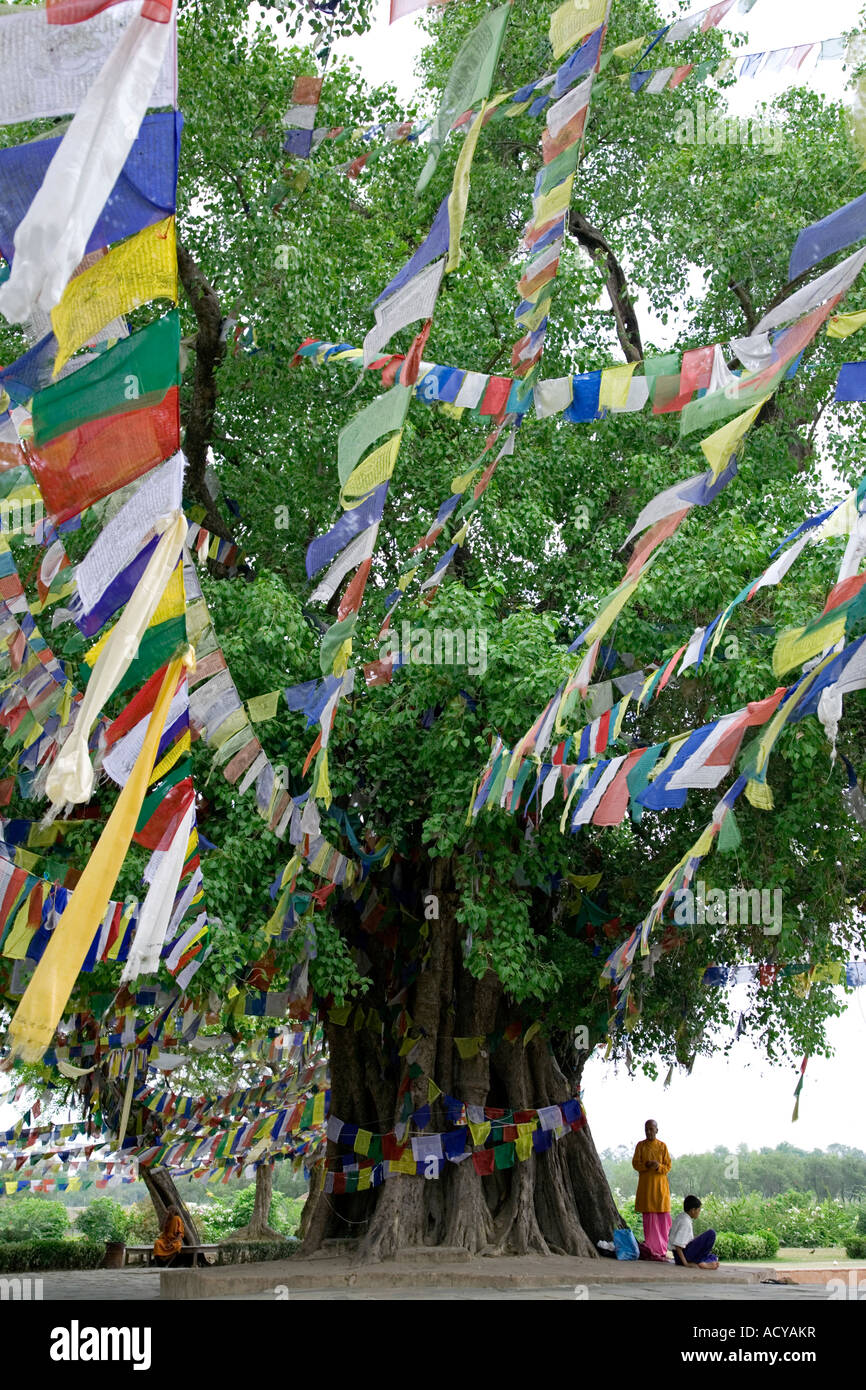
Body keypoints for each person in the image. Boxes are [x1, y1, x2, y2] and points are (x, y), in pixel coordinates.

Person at [632, 1118, 673, 1261]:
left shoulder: (662, 1146)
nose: (649, 1132)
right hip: (646, 1189)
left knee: (663, 1220)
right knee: (649, 1221)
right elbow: (635, 1164)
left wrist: (658, 1167)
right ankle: (652, 1251)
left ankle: (662, 1251)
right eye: (646, 1129)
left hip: (660, 1189)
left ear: (657, 1130)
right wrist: (646, 1165)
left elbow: (668, 1166)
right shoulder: (640, 1146)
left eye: (651, 1129)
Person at [670, 1196, 719, 1269]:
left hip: (679, 1257)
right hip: (684, 1256)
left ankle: (703, 1261)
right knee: (711, 1233)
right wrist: (686, 1264)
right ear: (693, 1210)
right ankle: (701, 1262)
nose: (699, 1212)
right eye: (699, 1210)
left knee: (713, 1257)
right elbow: (678, 1246)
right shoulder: (685, 1222)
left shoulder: (682, 1217)